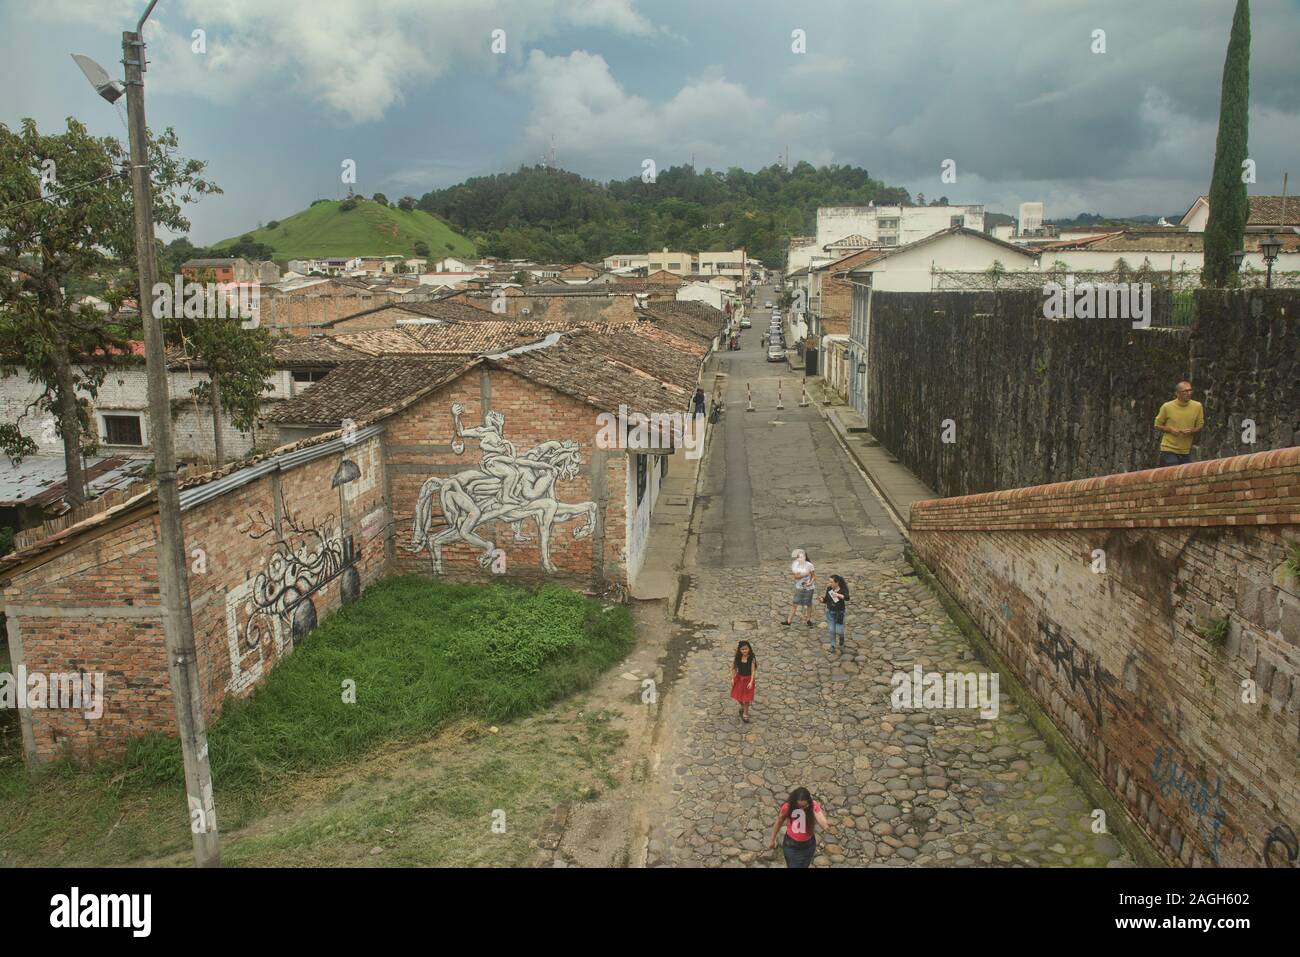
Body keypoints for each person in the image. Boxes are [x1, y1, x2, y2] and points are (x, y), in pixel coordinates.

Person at [768, 787, 829, 868]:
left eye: (804, 806)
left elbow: (825, 826)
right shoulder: (787, 807)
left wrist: (812, 808)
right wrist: (772, 839)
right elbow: (779, 822)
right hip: (792, 845)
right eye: (798, 806)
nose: (801, 809)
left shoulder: (813, 806)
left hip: (809, 845)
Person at [1154, 381, 1203, 466]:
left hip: (1186, 450)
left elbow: (1200, 426)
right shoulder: (1167, 406)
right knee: (1172, 472)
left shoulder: (1197, 406)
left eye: (1190, 390)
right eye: (1185, 391)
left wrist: (1192, 430)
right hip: (1168, 449)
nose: (1189, 393)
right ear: (1177, 393)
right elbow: (1157, 425)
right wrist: (1170, 429)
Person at [783, 548, 816, 627]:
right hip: (799, 588)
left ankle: (808, 620)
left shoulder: (809, 565)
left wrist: (810, 583)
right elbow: (796, 577)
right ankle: (788, 621)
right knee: (795, 604)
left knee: (808, 604)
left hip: (809, 588)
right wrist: (804, 575)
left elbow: (814, 576)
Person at [820, 574, 849, 656]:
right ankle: (833, 646)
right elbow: (826, 599)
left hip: (840, 613)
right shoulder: (829, 588)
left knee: (839, 631)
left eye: (831, 582)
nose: (830, 584)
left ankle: (841, 636)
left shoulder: (842, 589)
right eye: (829, 582)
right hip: (830, 612)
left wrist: (838, 595)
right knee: (831, 630)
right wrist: (822, 600)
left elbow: (847, 598)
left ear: (837, 583)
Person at [730, 640, 757, 723]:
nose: (744, 651)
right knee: (737, 696)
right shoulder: (738, 657)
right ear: (739, 650)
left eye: (746, 649)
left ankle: (745, 713)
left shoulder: (751, 658)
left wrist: (751, 681)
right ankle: (742, 706)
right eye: (742, 649)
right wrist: (732, 678)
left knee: (747, 698)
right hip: (739, 679)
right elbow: (734, 668)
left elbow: (753, 671)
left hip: (748, 679)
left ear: (749, 649)